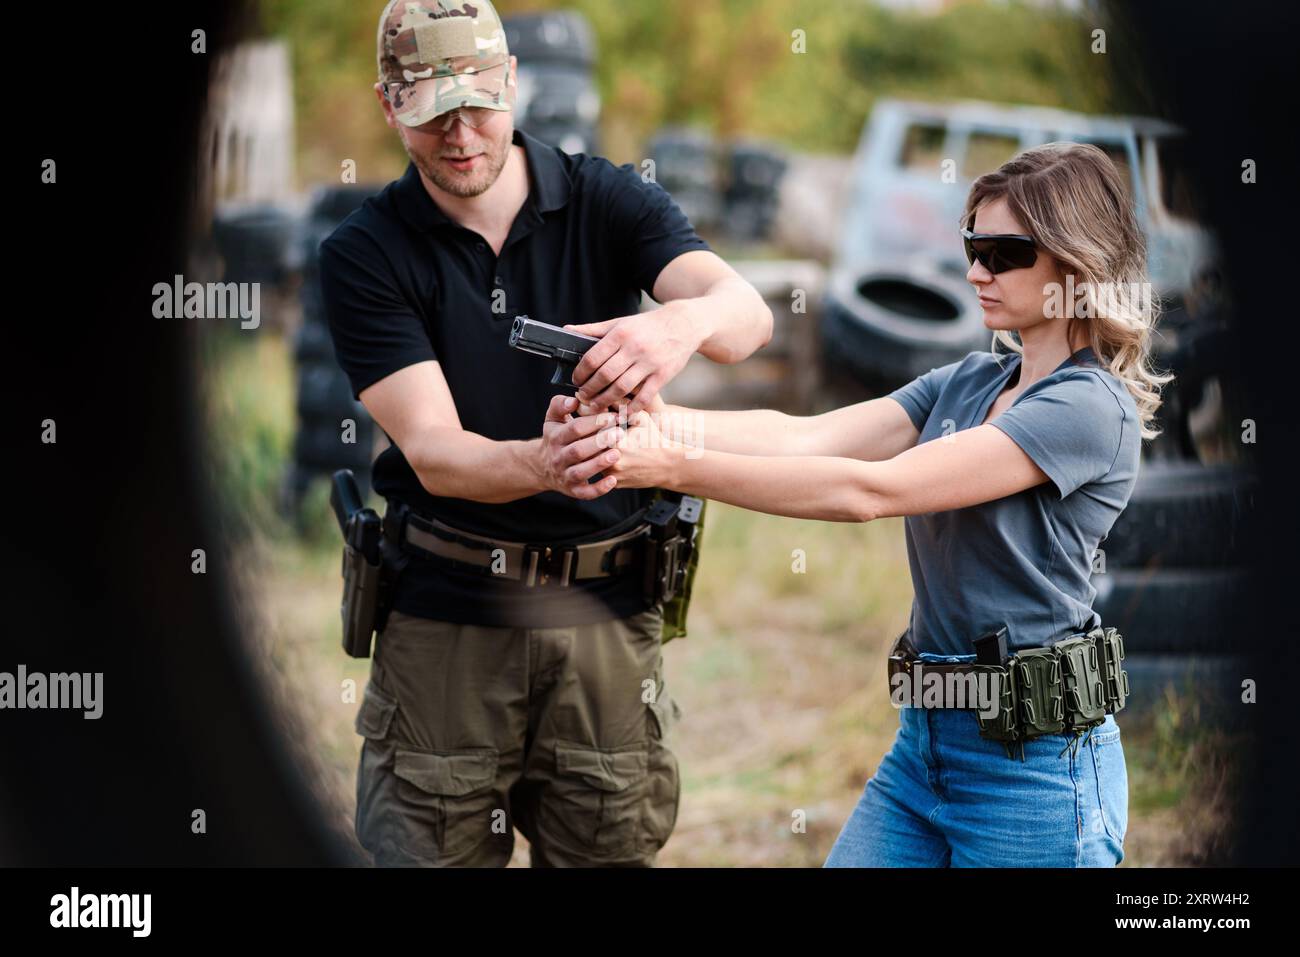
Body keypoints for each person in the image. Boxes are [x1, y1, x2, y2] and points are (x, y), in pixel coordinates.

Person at [554, 141, 1171, 866]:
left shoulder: (1087, 407)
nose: (977, 269)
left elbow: (871, 491)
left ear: (1075, 259)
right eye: (974, 243)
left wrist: (669, 464)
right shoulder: (969, 380)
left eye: (1006, 252)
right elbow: (805, 436)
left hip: (1036, 770)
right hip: (927, 750)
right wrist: (651, 426)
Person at [320, 0, 773, 867]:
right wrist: (547, 459)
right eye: (429, 114)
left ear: (515, 84)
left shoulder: (606, 197)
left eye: (479, 106)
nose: (460, 136)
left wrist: (673, 328)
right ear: (388, 107)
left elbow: (745, 316)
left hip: (607, 617)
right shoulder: (365, 252)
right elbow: (437, 453)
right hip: (446, 623)